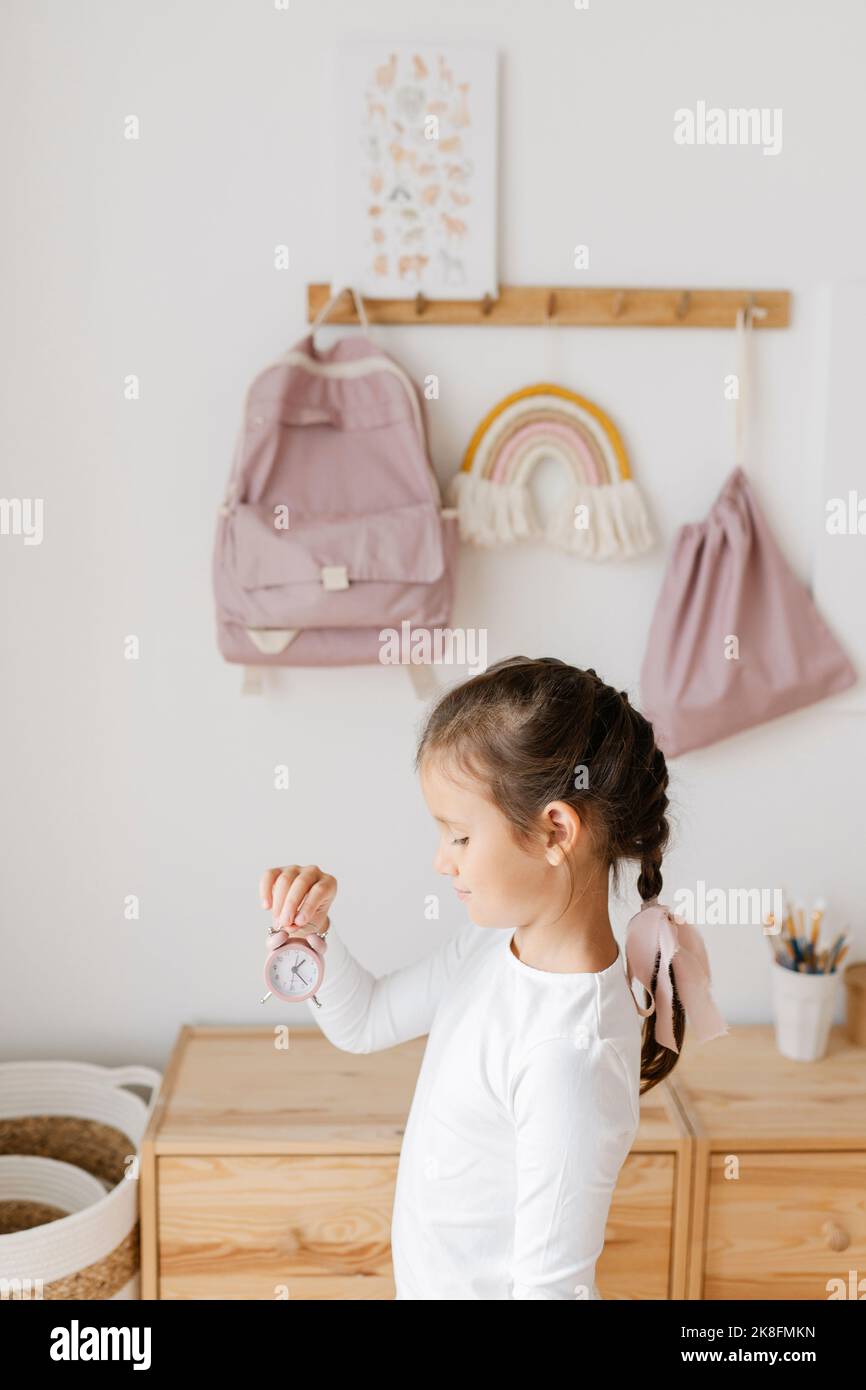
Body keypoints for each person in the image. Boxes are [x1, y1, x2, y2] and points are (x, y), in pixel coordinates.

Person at [259, 656, 726, 1300]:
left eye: (458, 837)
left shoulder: (568, 1054)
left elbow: (551, 1292)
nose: (440, 861)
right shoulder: (490, 946)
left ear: (554, 830)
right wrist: (312, 938)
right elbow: (364, 1022)